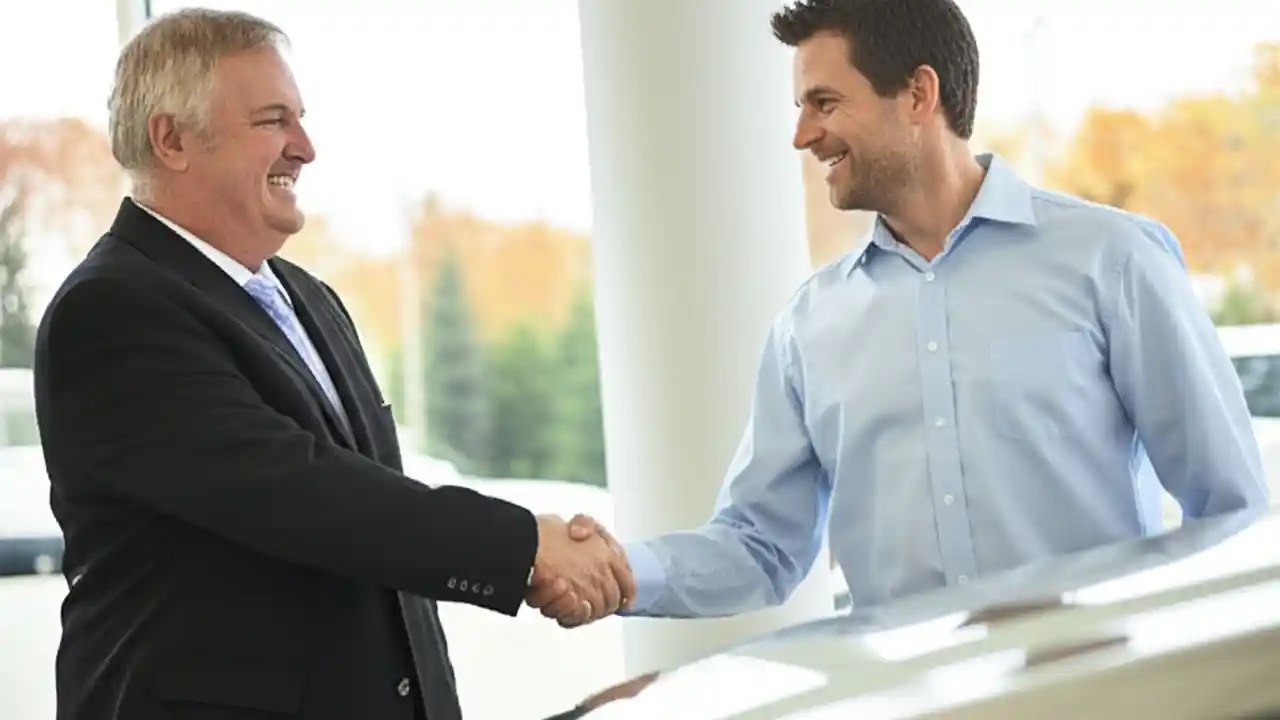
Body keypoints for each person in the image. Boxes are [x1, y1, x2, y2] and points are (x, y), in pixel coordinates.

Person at [553, 0, 1269, 623]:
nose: (802, 135)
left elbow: (1230, 512)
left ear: (919, 94)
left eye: (825, 103)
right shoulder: (809, 327)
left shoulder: (1112, 260)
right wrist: (622, 568)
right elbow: (760, 547)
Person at [34, 9, 631, 720]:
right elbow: (303, 495)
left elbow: (372, 499)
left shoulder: (305, 296)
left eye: (301, 119)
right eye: (272, 121)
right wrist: (524, 547)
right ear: (172, 139)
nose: (306, 148)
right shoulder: (111, 310)